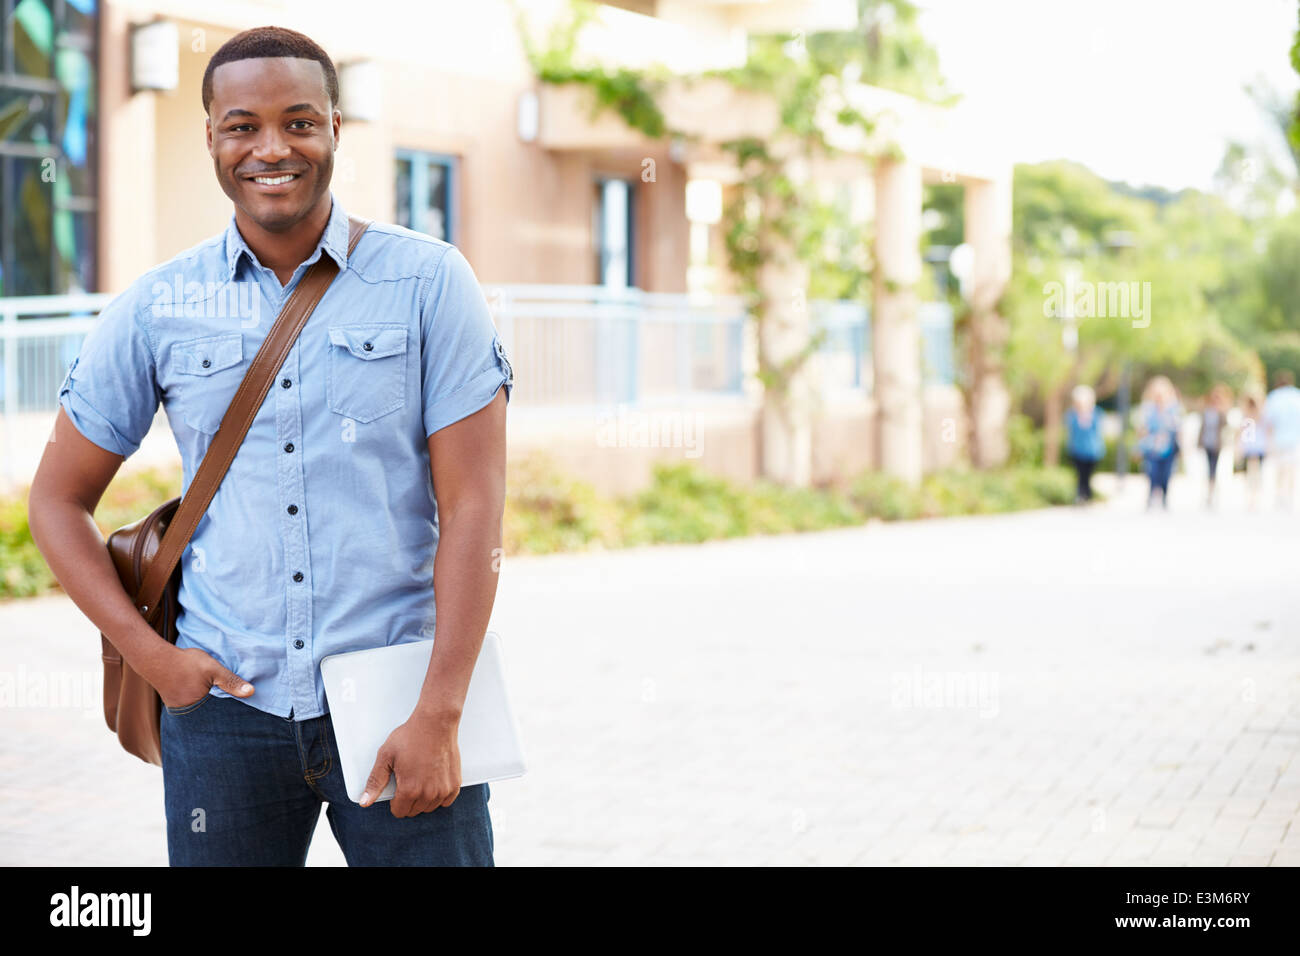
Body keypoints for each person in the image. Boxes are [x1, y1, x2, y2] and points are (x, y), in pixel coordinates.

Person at [26, 27, 513, 866]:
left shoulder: (429, 284)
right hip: (225, 717)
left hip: (396, 701)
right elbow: (55, 500)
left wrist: (440, 711)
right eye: (243, 125)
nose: (272, 148)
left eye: (299, 121)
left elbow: (473, 508)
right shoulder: (159, 306)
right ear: (211, 138)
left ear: (333, 128)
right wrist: (155, 662)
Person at [1136, 375, 1182, 510]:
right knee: (1152, 472)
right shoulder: (1147, 409)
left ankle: (1164, 496)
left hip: (1168, 448)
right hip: (1151, 447)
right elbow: (1141, 429)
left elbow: (1178, 428)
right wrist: (1139, 446)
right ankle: (1151, 495)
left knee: (1166, 473)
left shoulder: (1173, 409)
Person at [1264, 368, 1300, 511]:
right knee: (1291, 469)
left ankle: (1279, 495)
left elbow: (1269, 421)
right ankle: (1289, 496)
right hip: (1295, 438)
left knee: (1279, 469)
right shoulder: (1297, 396)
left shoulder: (1274, 397)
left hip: (1278, 438)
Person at [1064, 384, 1105, 503]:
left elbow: (1098, 429)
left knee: (1088, 474)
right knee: (1080, 474)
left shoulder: (1096, 413)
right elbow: (1070, 429)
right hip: (1077, 449)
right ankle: (1081, 494)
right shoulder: (1072, 414)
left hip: (1092, 450)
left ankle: (1087, 494)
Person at [1197, 383, 1231, 507]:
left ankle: (1212, 492)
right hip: (1207, 443)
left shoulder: (1221, 412)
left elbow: (1227, 425)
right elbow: (1202, 427)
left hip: (1216, 444)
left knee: (1214, 468)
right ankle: (1208, 492)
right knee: (1207, 468)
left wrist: (1223, 410)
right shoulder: (1206, 411)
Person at [1238, 393, 1267, 511]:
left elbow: (1240, 432)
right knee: (1256, 473)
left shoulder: (1248, 416)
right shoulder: (1260, 415)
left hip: (1250, 446)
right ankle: (1254, 498)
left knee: (1251, 473)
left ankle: (1252, 498)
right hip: (1256, 446)